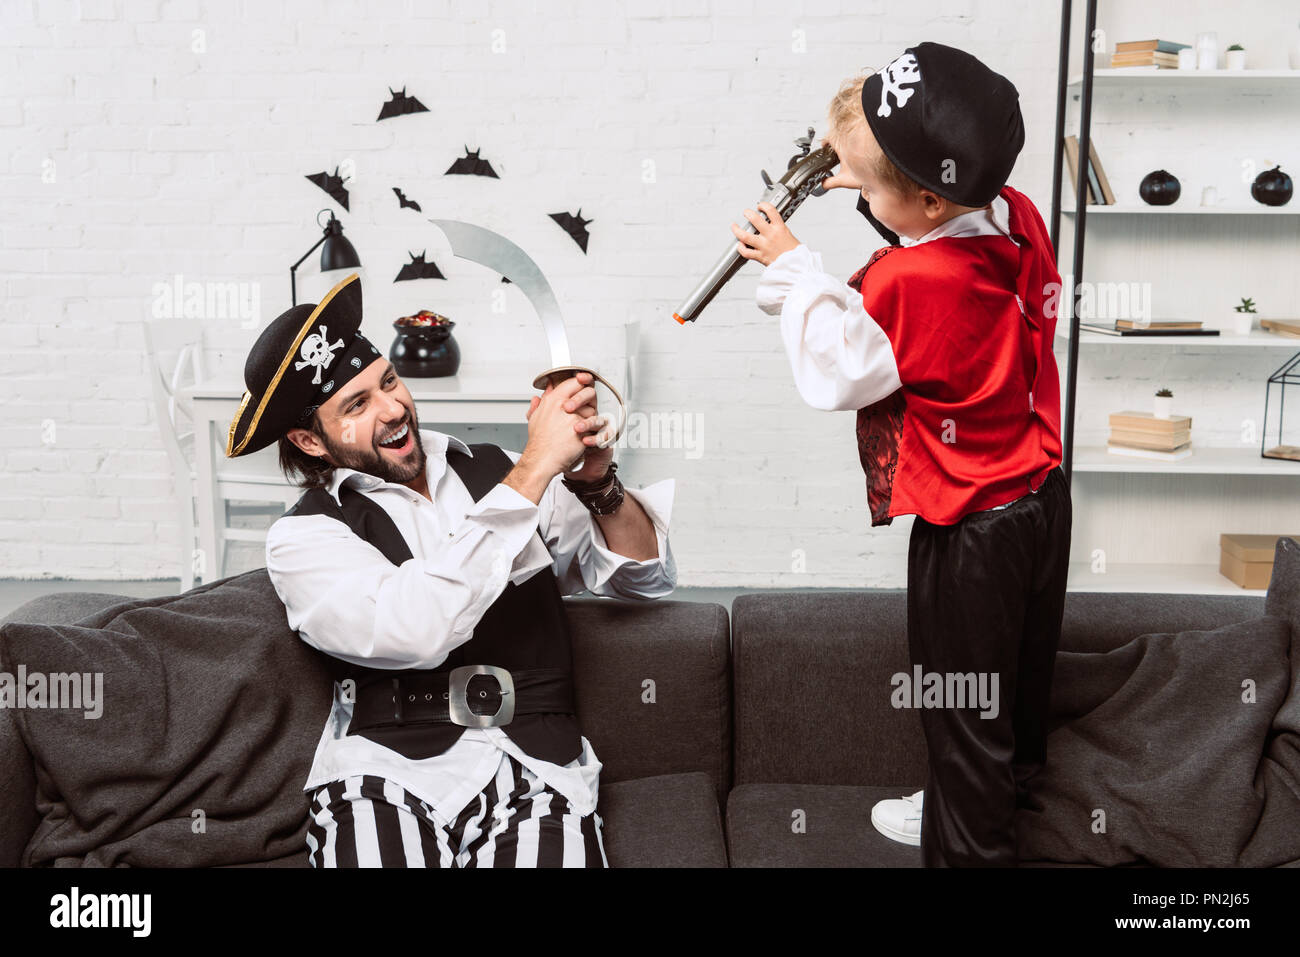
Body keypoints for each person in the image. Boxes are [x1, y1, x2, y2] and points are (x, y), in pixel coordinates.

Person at [731, 42, 1072, 866]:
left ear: (923, 198)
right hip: (1041, 495)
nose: (859, 193)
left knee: (961, 706)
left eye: (869, 184)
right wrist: (873, 181)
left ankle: (969, 838)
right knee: (1018, 688)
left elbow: (839, 365)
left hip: (971, 525)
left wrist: (793, 269)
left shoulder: (914, 285)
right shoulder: (1013, 208)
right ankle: (999, 795)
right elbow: (919, 227)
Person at [225, 272, 676, 867]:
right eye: (357, 405)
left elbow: (641, 577)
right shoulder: (305, 537)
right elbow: (415, 629)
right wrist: (536, 470)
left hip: (540, 771)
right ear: (311, 441)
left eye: (388, 381)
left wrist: (597, 484)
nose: (393, 409)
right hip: (383, 776)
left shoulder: (503, 470)